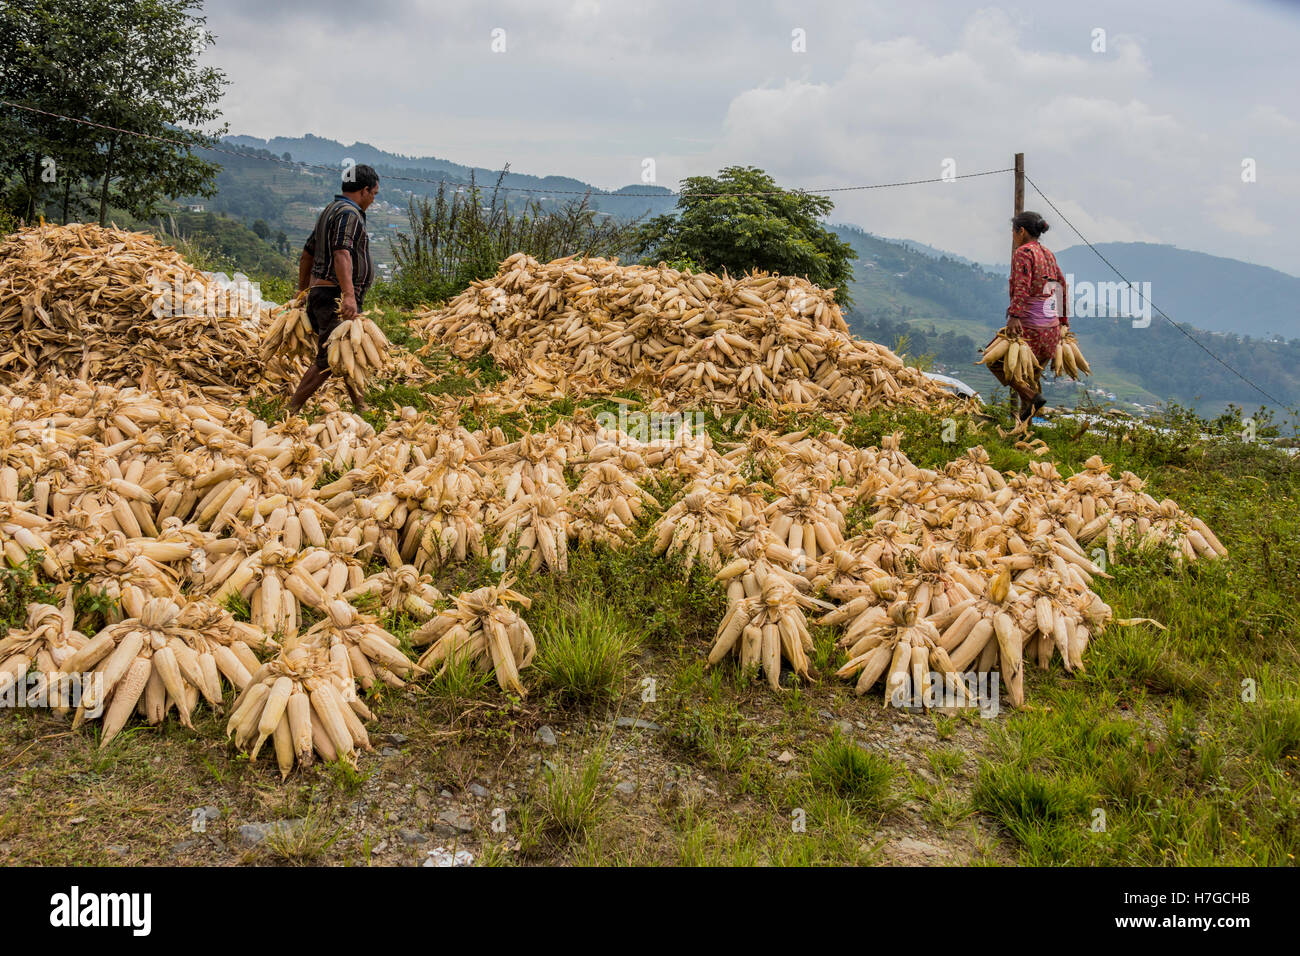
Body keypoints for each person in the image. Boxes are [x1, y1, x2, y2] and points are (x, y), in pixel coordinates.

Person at [286, 164, 380, 416]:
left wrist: (302, 290)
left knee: (348, 349)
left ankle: (360, 406)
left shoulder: (330, 210)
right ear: (364, 190)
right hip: (334, 297)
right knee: (328, 358)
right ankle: (291, 409)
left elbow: (307, 253)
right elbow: (341, 253)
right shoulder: (349, 213)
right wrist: (348, 295)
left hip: (322, 293)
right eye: (374, 194)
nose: (373, 200)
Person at [988, 210, 1069, 423]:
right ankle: (1024, 428)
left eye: (1014, 232)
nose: (1013, 236)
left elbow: (1022, 287)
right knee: (1030, 376)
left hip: (1030, 327)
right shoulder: (1047, 254)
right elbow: (1061, 286)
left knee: (994, 360)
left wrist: (1014, 316)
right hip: (1050, 329)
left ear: (1021, 231)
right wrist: (1063, 321)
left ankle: (1032, 398)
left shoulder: (1024, 253)